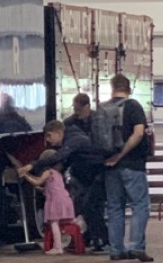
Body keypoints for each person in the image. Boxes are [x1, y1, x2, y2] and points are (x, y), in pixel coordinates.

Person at [102, 74, 152, 263]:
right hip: (132, 165)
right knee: (140, 206)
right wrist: (121, 155)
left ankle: (116, 249)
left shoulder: (103, 108)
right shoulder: (133, 106)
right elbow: (139, 133)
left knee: (115, 208)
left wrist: (112, 158)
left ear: (112, 87)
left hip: (108, 167)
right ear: (129, 88)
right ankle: (136, 247)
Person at [22, 121, 80, 254]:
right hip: (65, 201)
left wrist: (26, 176)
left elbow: (37, 182)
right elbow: (49, 188)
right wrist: (42, 190)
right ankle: (78, 224)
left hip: (55, 203)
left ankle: (58, 247)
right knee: (69, 221)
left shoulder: (48, 172)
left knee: (54, 223)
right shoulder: (59, 174)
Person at [62, 93, 109, 250]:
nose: (77, 112)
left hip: (96, 171)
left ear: (87, 106)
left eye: (79, 109)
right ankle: (91, 238)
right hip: (80, 171)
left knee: (91, 206)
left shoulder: (99, 121)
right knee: (82, 206)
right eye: (75, 109)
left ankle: (96, 238)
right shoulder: (70, 123)